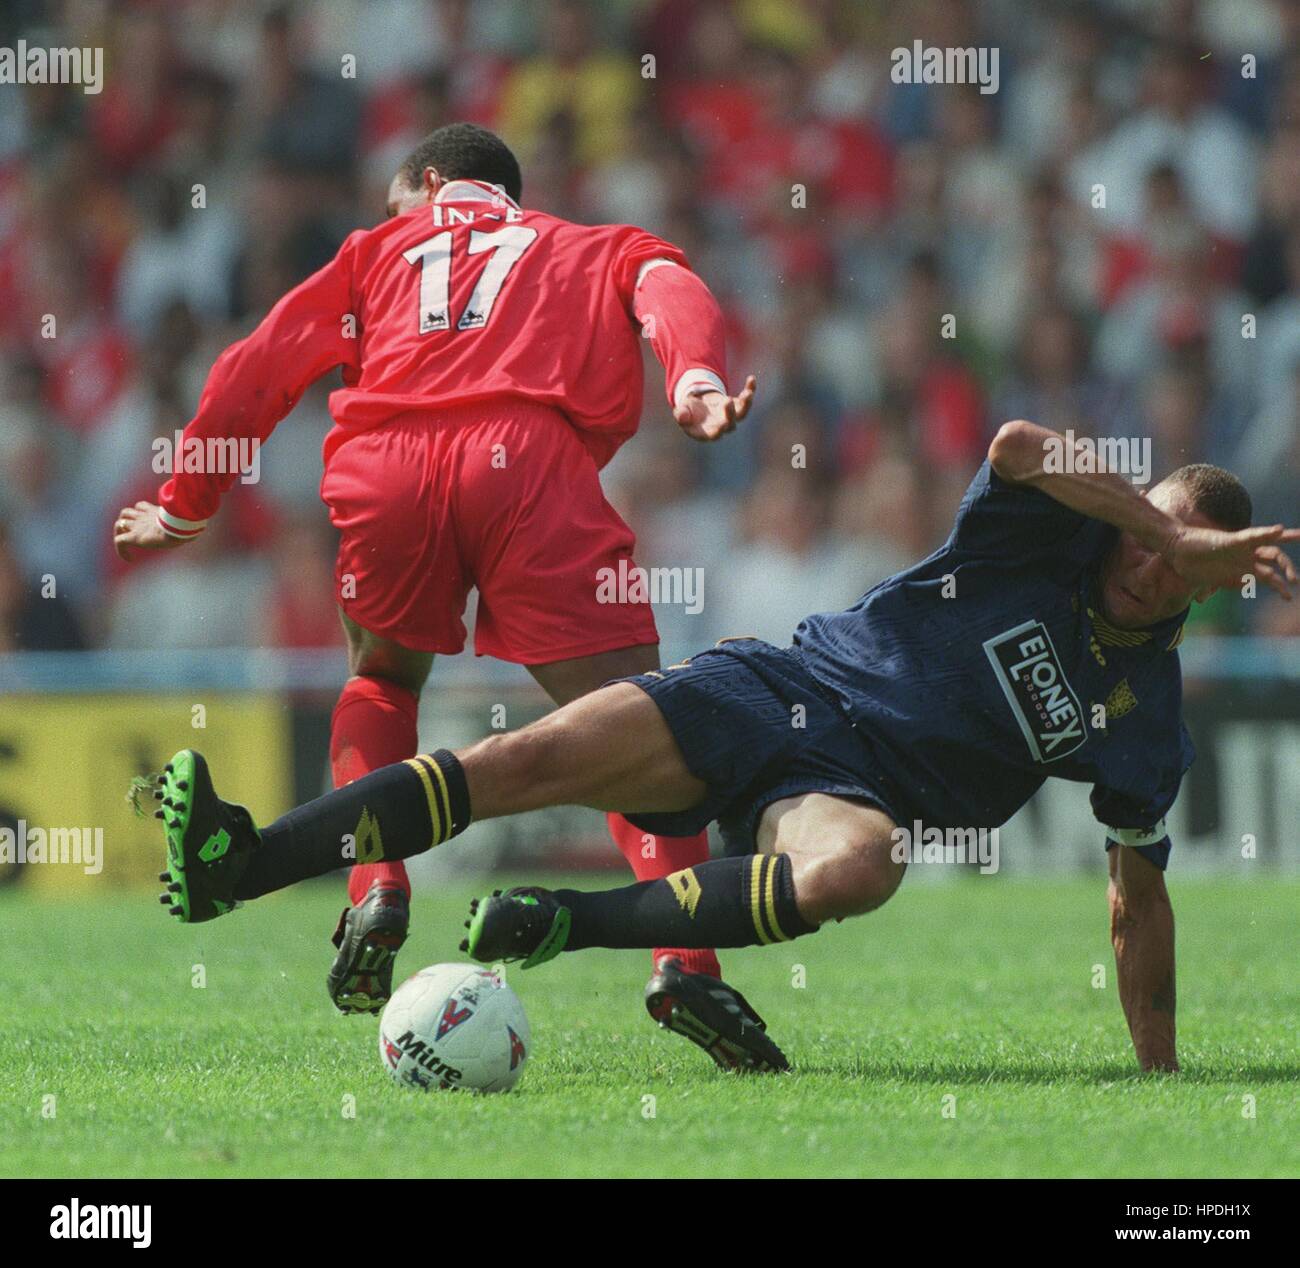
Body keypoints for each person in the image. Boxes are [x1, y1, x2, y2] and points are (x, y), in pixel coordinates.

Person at [141, 422, 1299, 1073]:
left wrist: (1160, 1077)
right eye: (1148, 533)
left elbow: (1135, 901)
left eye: (1177, 558)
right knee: (523, 761)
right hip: (778, 687)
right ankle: (236, 863)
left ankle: (570, 920)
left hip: (848, 789)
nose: (1147, 560)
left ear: (1205, 589)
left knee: (862, 866)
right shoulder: (1044, 534)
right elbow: (1020, 440)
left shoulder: (1148, 712)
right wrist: (1155, 520)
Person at [114, 123, 771, 1071]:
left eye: (394, 205)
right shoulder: (591, 243)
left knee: (381, 680)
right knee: (635, 725)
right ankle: (685, 960)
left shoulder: (374, 251)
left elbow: (253, 366)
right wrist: (696, 377)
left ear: (428, 184)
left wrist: (183, 505)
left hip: (388, 466)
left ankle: (375, 888)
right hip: (529, 468)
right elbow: (671, 286)